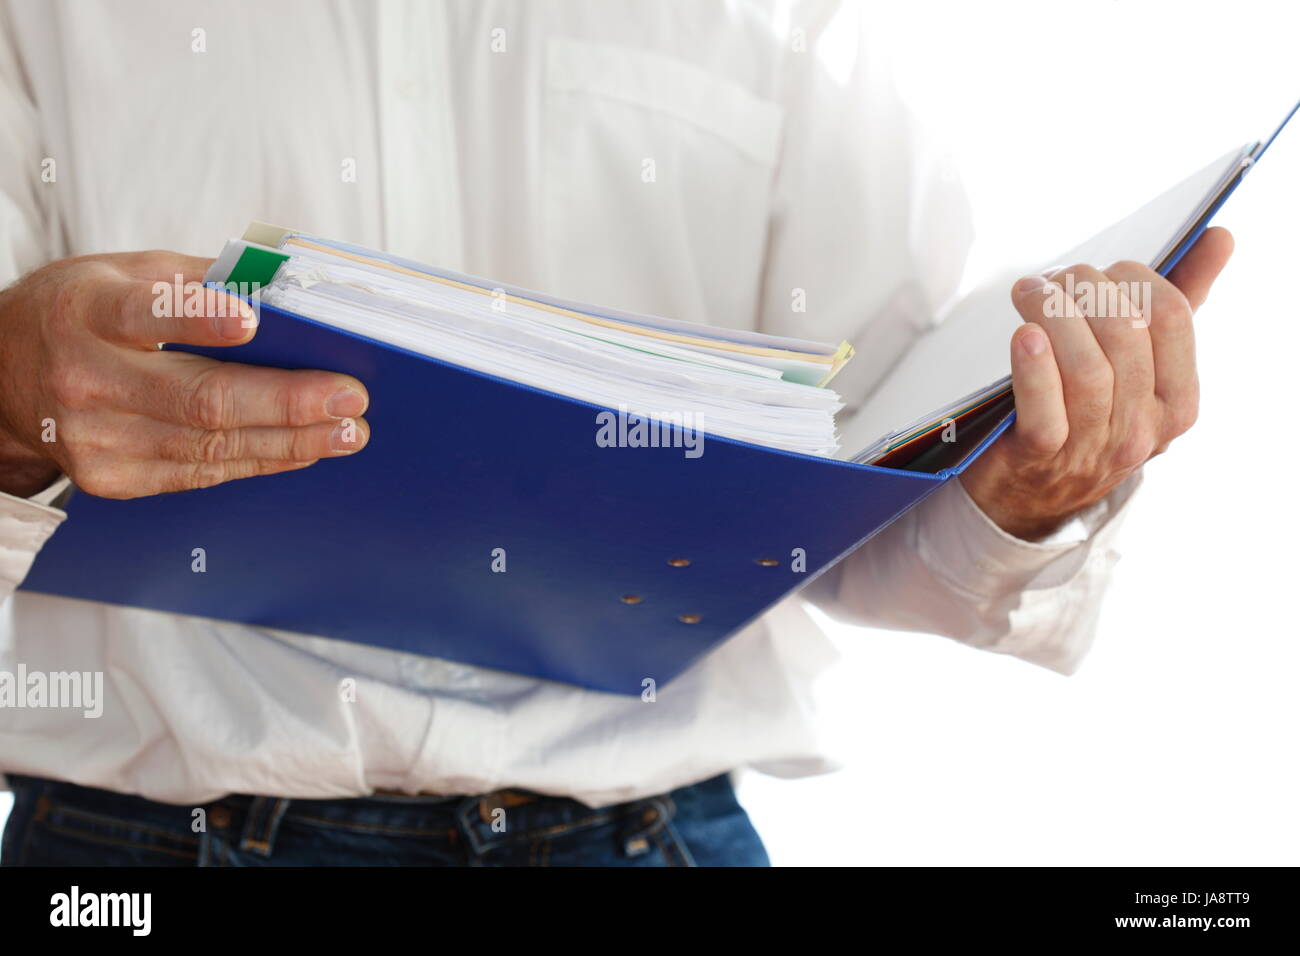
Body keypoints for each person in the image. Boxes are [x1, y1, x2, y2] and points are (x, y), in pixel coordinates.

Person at [0, 0, 1231, 866]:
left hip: (653, 837)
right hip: (131, 857)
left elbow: (853, 487)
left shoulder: (796, 20)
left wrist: (1019, 486)